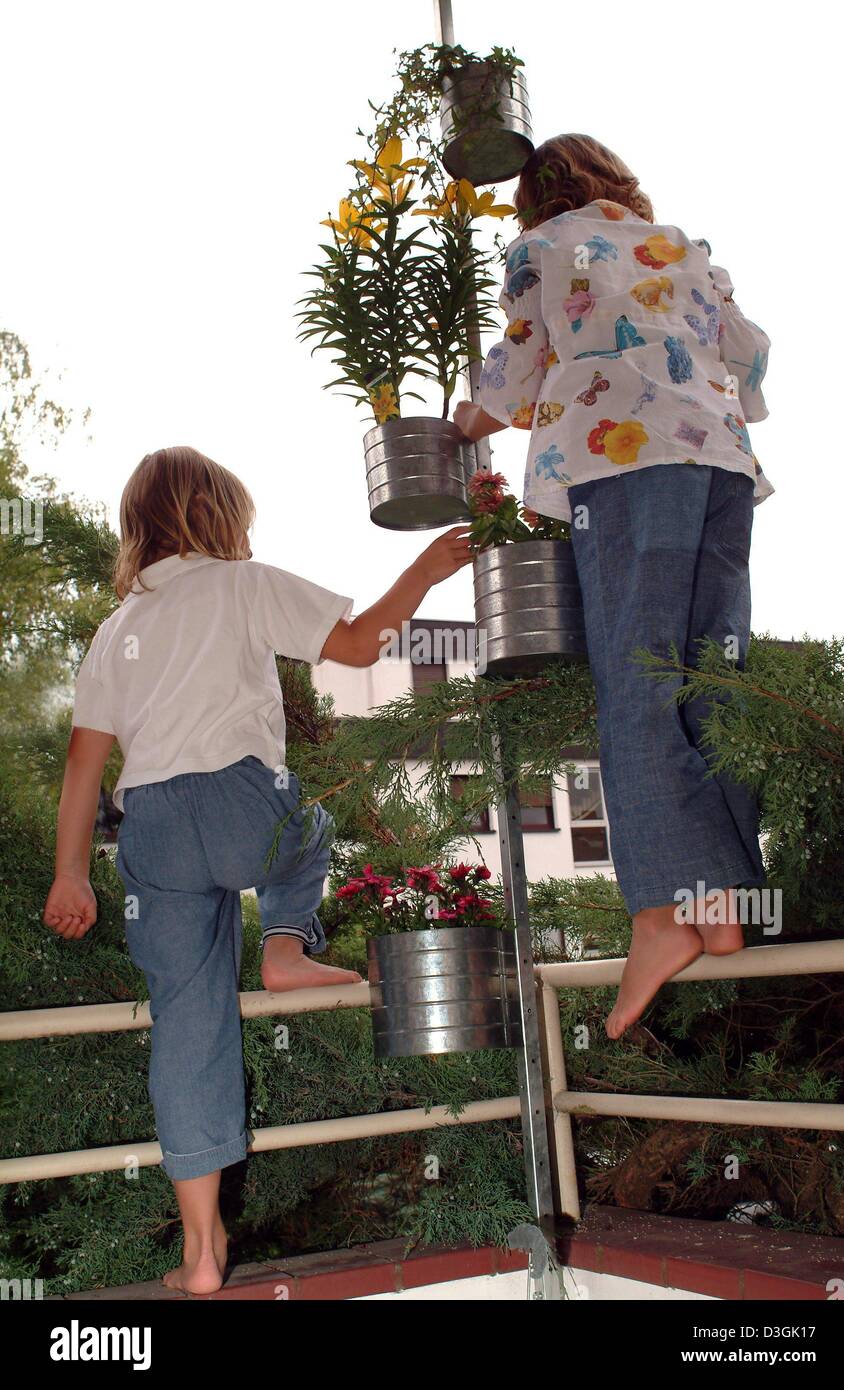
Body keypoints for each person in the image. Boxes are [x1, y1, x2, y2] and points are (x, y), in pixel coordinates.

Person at [42, 444, 472, 1293]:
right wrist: (421, 571)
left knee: (188, 1022)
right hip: (243, 801)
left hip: (152, 829)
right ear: (217, 516)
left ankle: (201, 1252)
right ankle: (283, 945)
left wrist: (71, 877)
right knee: (304, 824)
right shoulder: (241, 583)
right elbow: (352, 646)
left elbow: (83, 768)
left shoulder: (114, 629)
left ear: (139, 530)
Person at [455, 134, 773, 1040]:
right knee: (713, 679)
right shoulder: (681, 244)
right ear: (617, 183)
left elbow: (516, 370)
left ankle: (659, 916)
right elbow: (749, 358)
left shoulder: (541, 248)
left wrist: (464, 422)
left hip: (625, 458)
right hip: (721, 458)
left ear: (533, 200)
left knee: (636, 678)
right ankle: (720, 905)